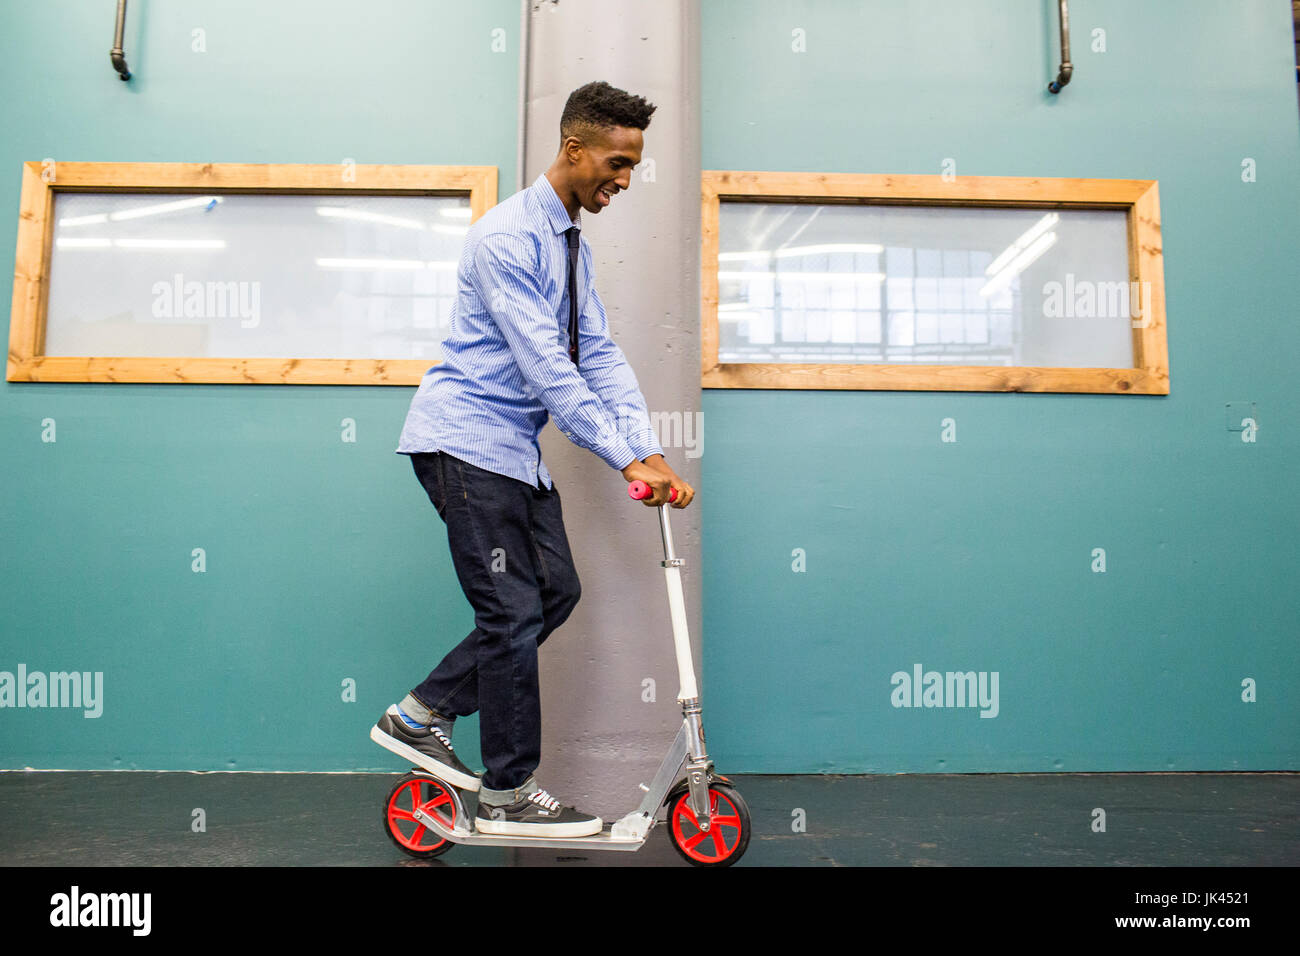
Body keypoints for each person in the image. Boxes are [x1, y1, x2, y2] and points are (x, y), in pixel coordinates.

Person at [373, 80, 694, 838]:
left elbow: (600, 355)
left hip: (515, 452)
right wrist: (622, 461)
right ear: (574, 147)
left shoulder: (570, 246)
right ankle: (507, 791)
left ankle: (419, 713)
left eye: (634, 165)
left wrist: (645, 448)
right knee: (512, 609)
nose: (624, 178)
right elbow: (550, 369)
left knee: (553, 593)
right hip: (466, 442)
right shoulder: (507, 238)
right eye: (617, 161)